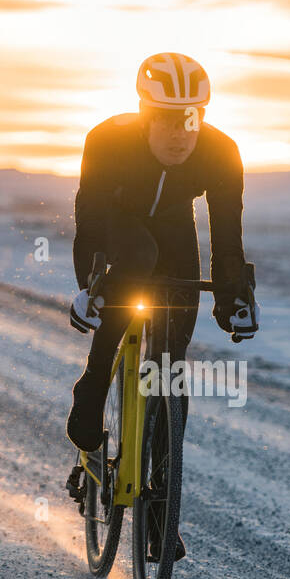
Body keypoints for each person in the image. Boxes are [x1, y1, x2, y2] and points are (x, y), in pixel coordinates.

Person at [66, 53, 257, 471]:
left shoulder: (221, 152)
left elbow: (227, 236)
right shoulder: (107, 141)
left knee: (169, 361)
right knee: (138, 256)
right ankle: (94, 383)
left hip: (174, 231)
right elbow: (91, 224)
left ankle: (161, 513)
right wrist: (92, 286)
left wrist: (233, 300)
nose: (179, 134)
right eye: (167, 120)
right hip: (120, 224)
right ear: (144, 116)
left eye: (190, 120)